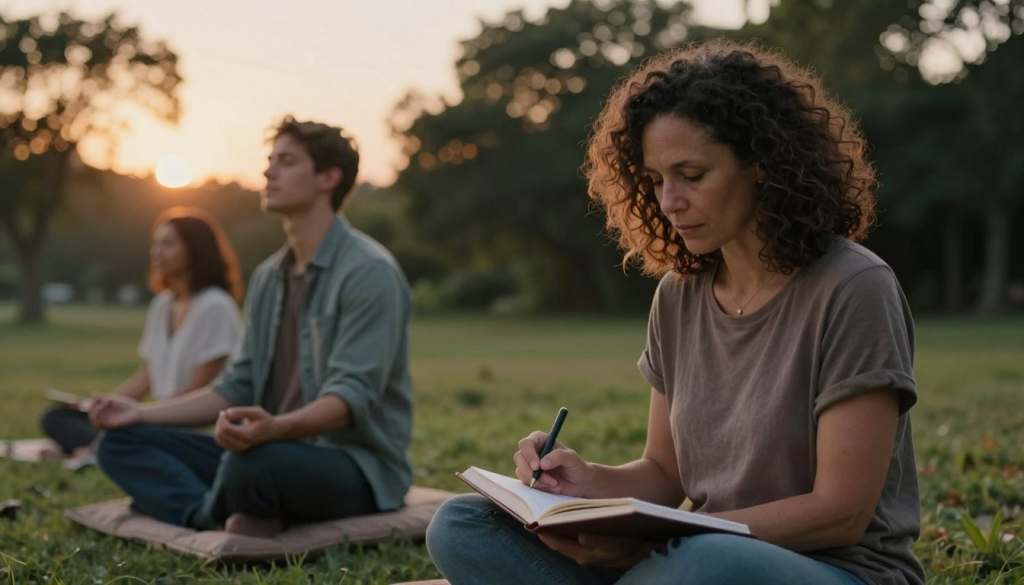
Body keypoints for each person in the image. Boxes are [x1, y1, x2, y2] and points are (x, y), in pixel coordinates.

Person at [427, 39, 924, 585]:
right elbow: (664, 475)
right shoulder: (678, 294)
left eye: (692, 175)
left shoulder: (853, 287)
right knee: (463, 523)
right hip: (685, 560)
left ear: (762, 164)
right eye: (657, 179)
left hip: (826, 571)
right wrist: (582, 482)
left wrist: (661, 546)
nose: (668, 202)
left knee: (704, 562)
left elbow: (841, 512)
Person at [90, 116, 413, 537]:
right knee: (121, 442)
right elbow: (236, 384)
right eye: (269, 159)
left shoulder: (369, 272)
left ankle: (221, 507)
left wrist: (276, 429)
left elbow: (351, 397)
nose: (268, 171)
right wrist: (140, 413)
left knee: (253, 465)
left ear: (328, 178)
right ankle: (212, 516)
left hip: (353, 466)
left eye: (286, 161)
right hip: (270, 448)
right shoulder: (267, 278)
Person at [39, 207, 242, 459]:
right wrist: (102, 406)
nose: (156, 252)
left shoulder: (215, 305)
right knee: (56, 418)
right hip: (153, 419)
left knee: (124, 436)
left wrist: (145, 415)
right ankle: (95, 448)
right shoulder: (162, 304)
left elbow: (201, 386)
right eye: (155, 244)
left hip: (192, 428)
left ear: (195, 249)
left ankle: (93, 451)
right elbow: (146, 376)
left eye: (167, 244)